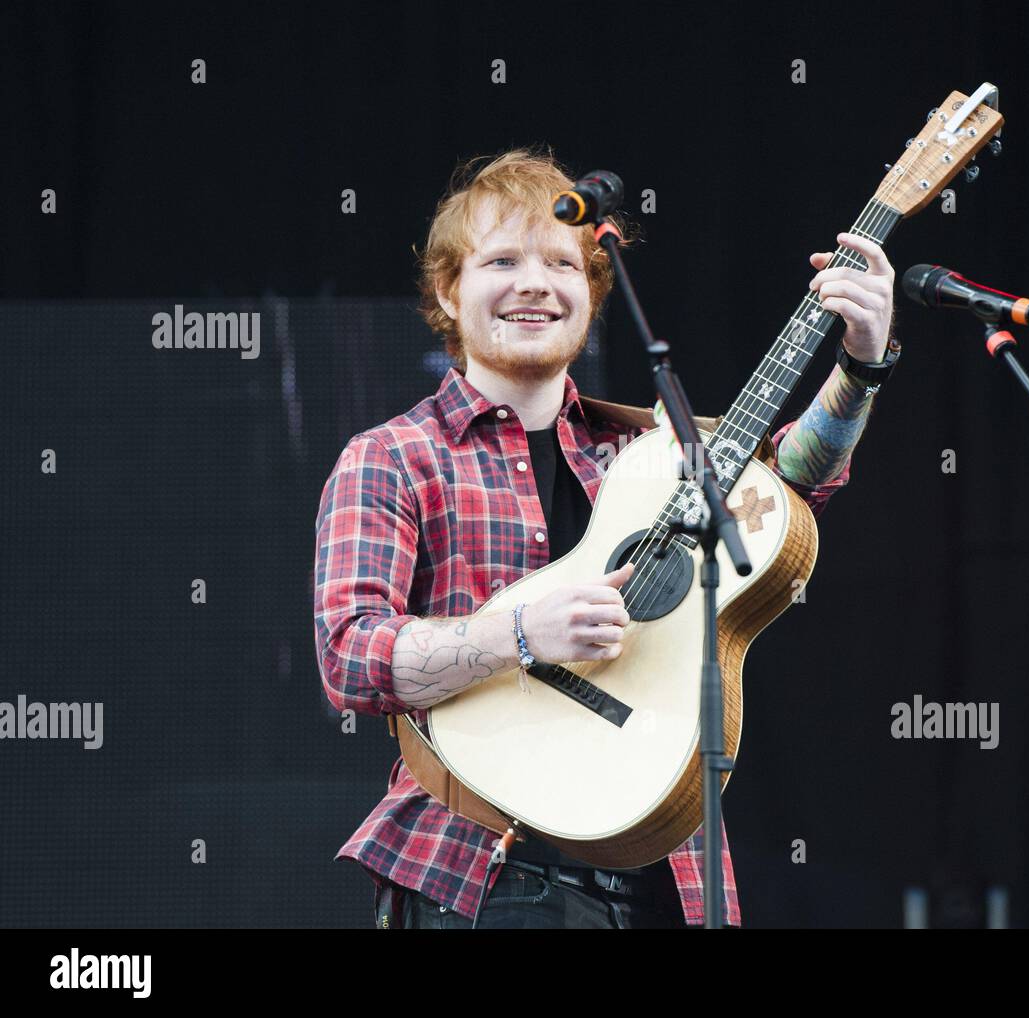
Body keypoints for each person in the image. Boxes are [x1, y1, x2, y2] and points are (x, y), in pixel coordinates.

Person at [313, 146, 899, 929]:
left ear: (591, 293)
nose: (533, 282)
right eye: (502, 260)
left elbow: (790, 479)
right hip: (482, 874)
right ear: (450, 294)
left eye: (561, 262)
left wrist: (860, 367)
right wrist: (521, 632)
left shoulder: (649, 449)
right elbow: (349, 655)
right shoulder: (391, 457)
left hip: (673, 876)